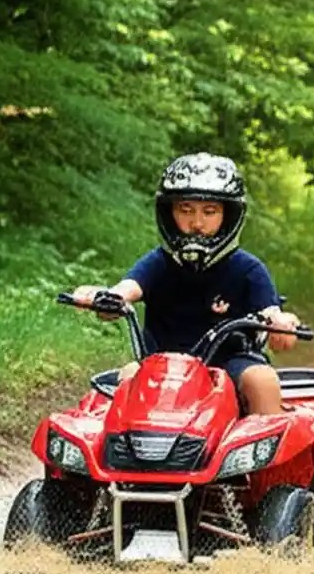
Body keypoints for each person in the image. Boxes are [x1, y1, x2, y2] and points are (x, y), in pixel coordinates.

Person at [71, 152, 301, 415]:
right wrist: (102, 296)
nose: (197, 222)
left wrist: (282, 324)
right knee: (127, 375)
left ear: (229, 215)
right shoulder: (160, 262)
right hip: (160, 365)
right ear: (169, 213)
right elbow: (126, 290)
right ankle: (121, 453)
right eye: (185, 210)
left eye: (210, 211)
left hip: (230, 363)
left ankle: (268, 454)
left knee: (263, 380)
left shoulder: (248, 268)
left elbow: (271, 312)